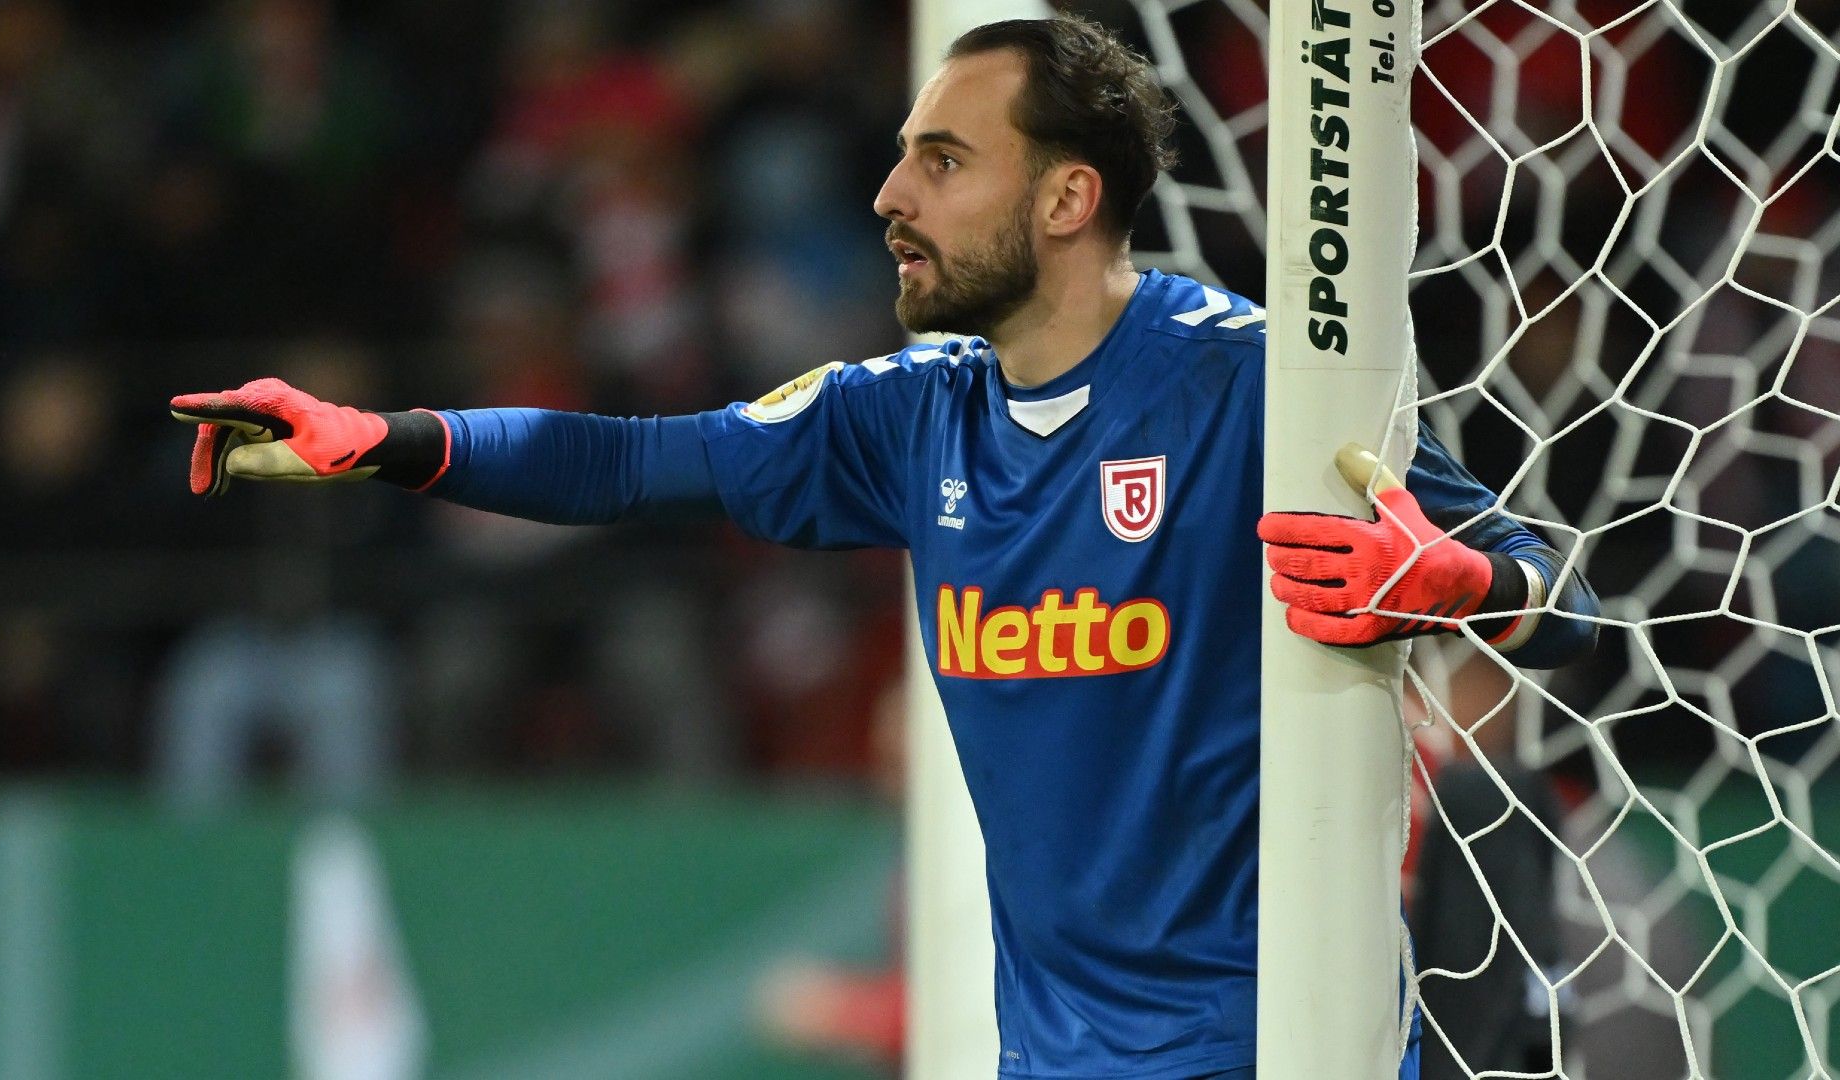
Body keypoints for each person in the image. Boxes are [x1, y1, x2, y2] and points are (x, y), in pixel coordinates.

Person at [169, 15, 1599, 1080]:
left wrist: (1475, 585)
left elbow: (1570, 599)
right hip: (1056, 1059)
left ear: (1065, 199)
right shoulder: (905, 420)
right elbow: (632, 459)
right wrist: (387, 436)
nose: (887, 195)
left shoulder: (1249, 384)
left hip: (1285, 1047)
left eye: (942, 159)